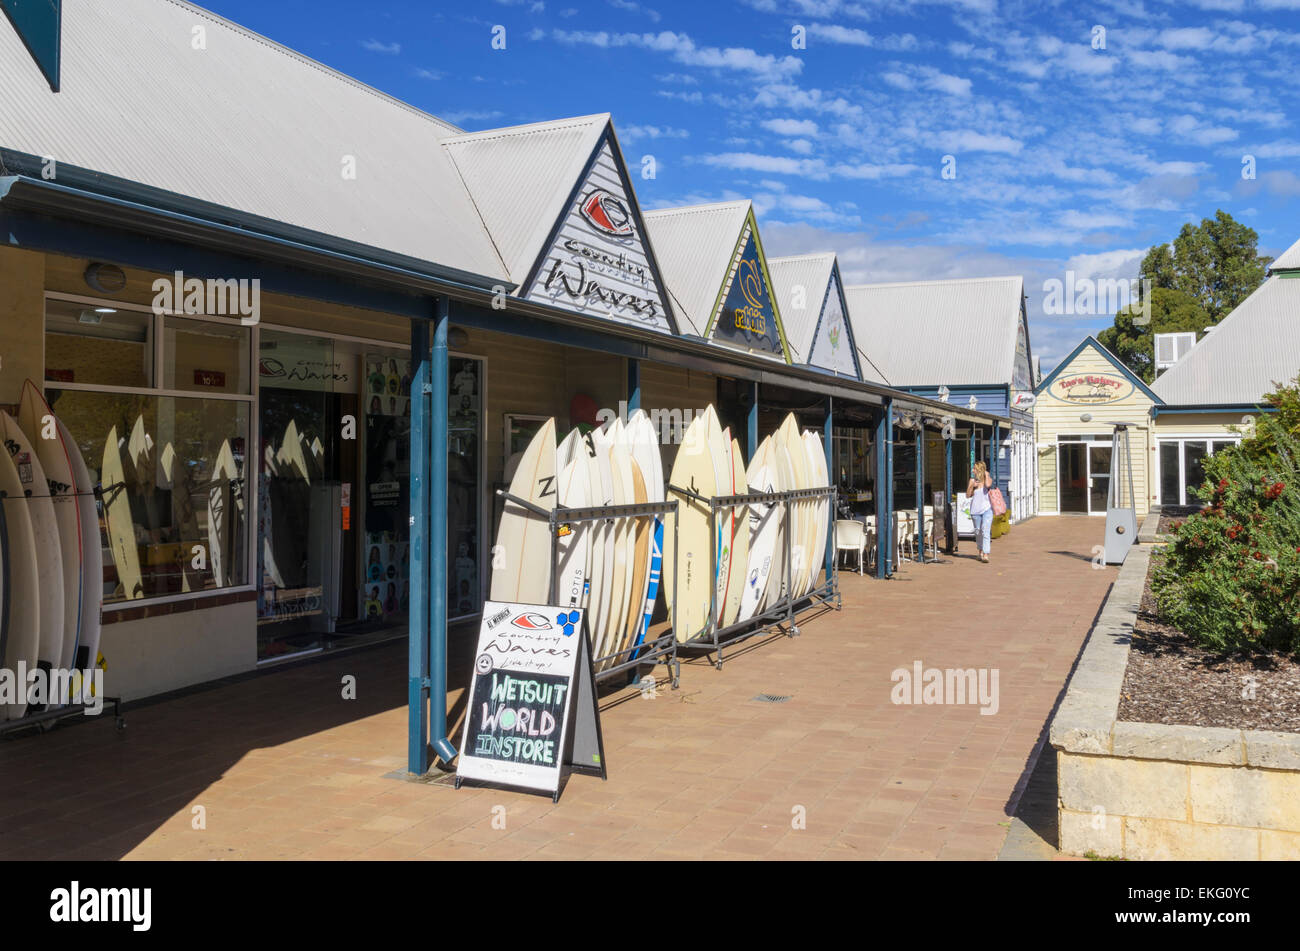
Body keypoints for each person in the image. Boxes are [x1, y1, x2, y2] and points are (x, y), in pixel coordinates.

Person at [967, 461, 994, 563]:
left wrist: (986, 475)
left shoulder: (987, 479)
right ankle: (980, 550)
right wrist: (971, 486)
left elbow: (988, 485)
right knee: (978, 532)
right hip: (975, 511)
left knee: (985, 531)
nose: (972, 470)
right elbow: (968, 495)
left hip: (987, 510)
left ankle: (986, 554)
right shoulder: (972, 480)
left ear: (979, 469)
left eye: (974, 468)